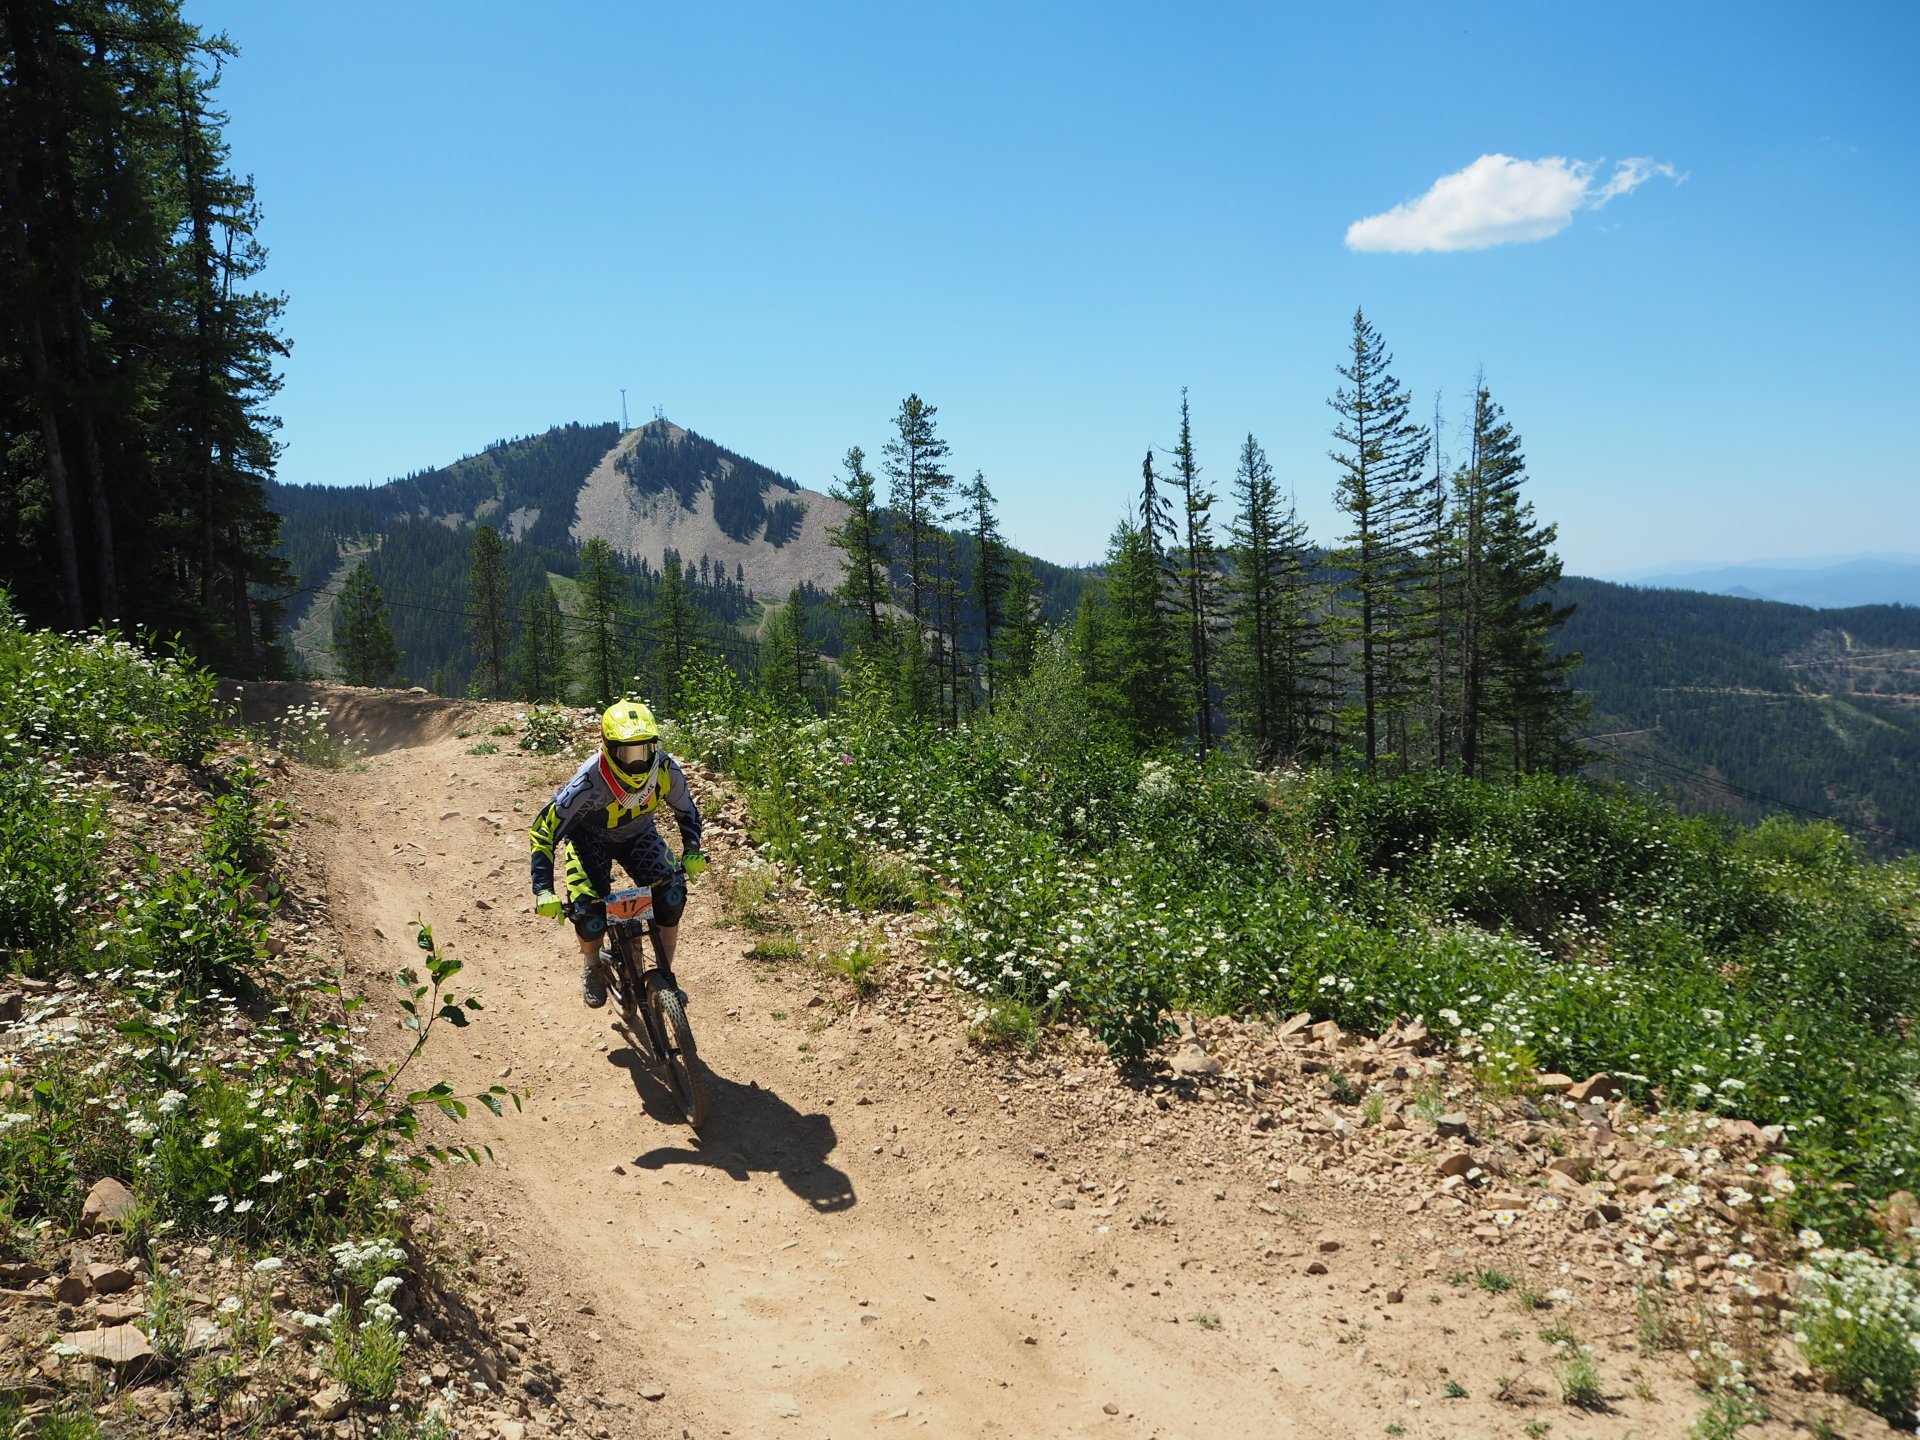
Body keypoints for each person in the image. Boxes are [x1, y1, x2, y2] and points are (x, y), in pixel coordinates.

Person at [529, 699, 707, 1007]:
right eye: (628, 753)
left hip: (638, 834)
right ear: (609, 748)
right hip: (589, 841)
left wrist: (692, 849)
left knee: (672, 896)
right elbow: (544, 829)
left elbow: (687, 811)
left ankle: (666, 973)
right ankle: (592, 968)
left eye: (646, 750)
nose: (639, 762)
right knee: (589, 915)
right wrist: (543, 890)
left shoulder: (665, 768)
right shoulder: (588, 781)